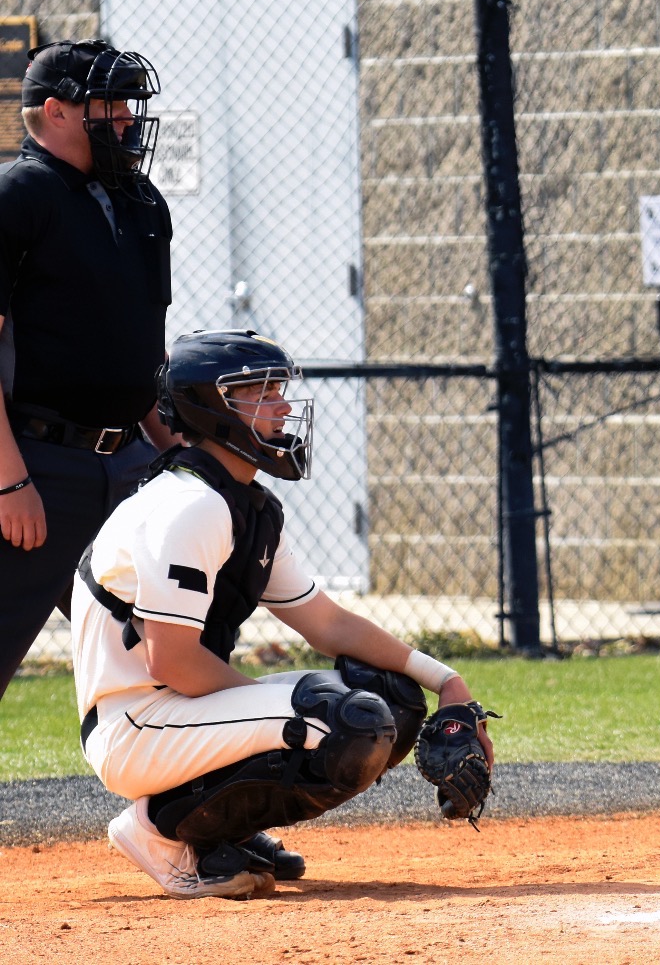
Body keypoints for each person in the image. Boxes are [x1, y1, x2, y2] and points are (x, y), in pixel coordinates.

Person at [72, 329, 496, 899]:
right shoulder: (187, 507)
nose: (283, 405)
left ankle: (223, 827)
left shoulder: (243, 503)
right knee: (343, 720)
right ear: (211, 406)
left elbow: (329, 624)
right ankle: (161, 831)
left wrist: (447, 681)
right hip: (136, 724)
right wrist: (275, 722)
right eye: (258, 391)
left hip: (178, 712)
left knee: (392, 695)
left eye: (279, 388)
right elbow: (171, 661)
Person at [0, 38, 177, 699]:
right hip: (36, 467)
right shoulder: (20, 197)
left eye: (131, 102)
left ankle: (173, 800)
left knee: (164, 652)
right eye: (109, 103)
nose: (128, 117)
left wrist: (177, 449)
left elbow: (141, 348)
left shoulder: (141, 203)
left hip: (127, 464)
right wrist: (10, 480)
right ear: (57, 112)